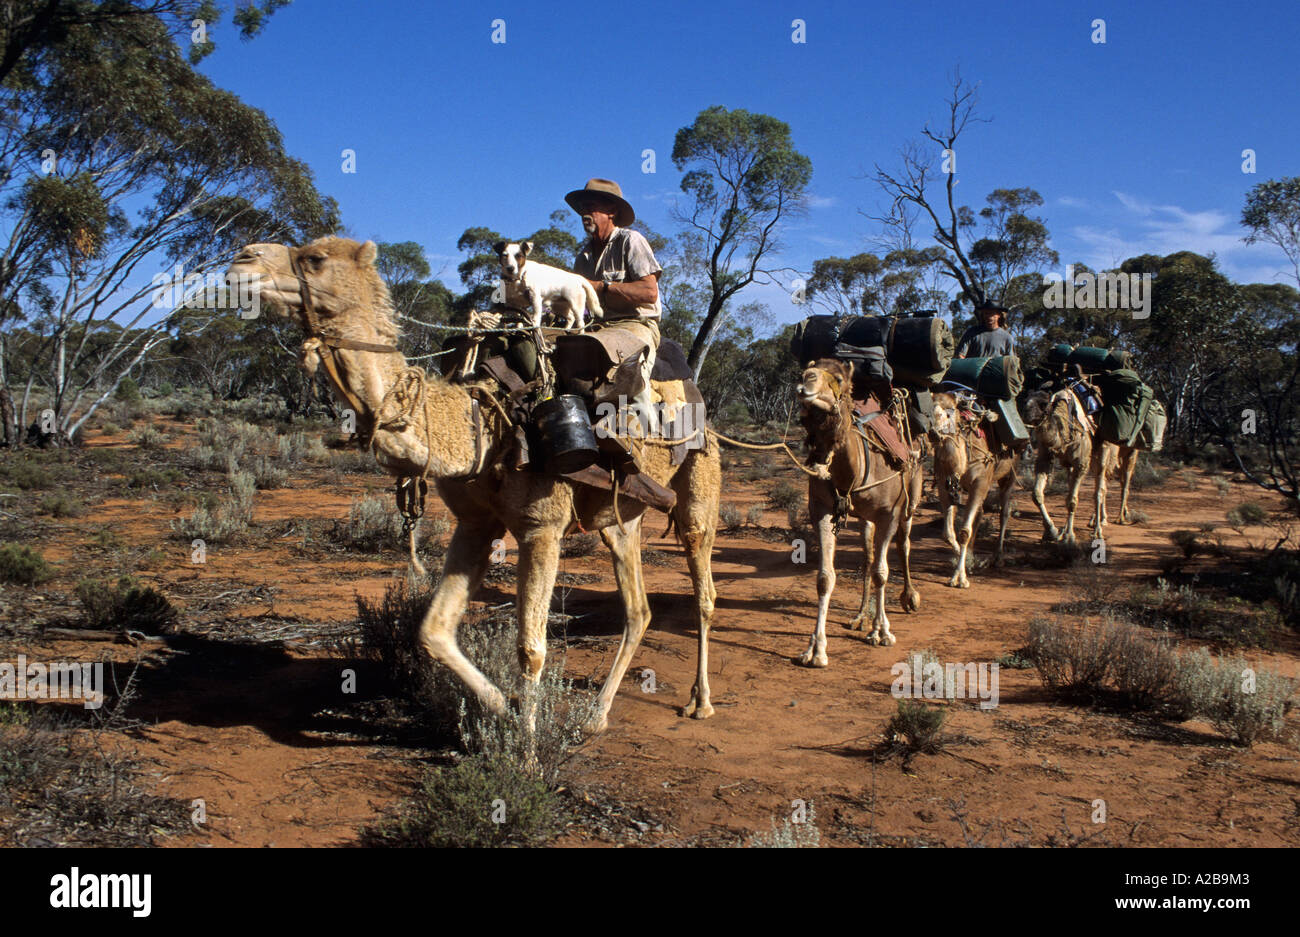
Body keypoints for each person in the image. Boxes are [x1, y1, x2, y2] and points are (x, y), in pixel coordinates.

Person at [565, 177, 662, 432]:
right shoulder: (582, 258)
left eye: (592, 207)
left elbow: (649, 292)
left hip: (635, 326)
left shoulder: (631, 241)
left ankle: (651, 441)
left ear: (612, 211)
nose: (586, 213)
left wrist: (601, 287)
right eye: (583, 208)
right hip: (597, 329)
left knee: (631, 379)